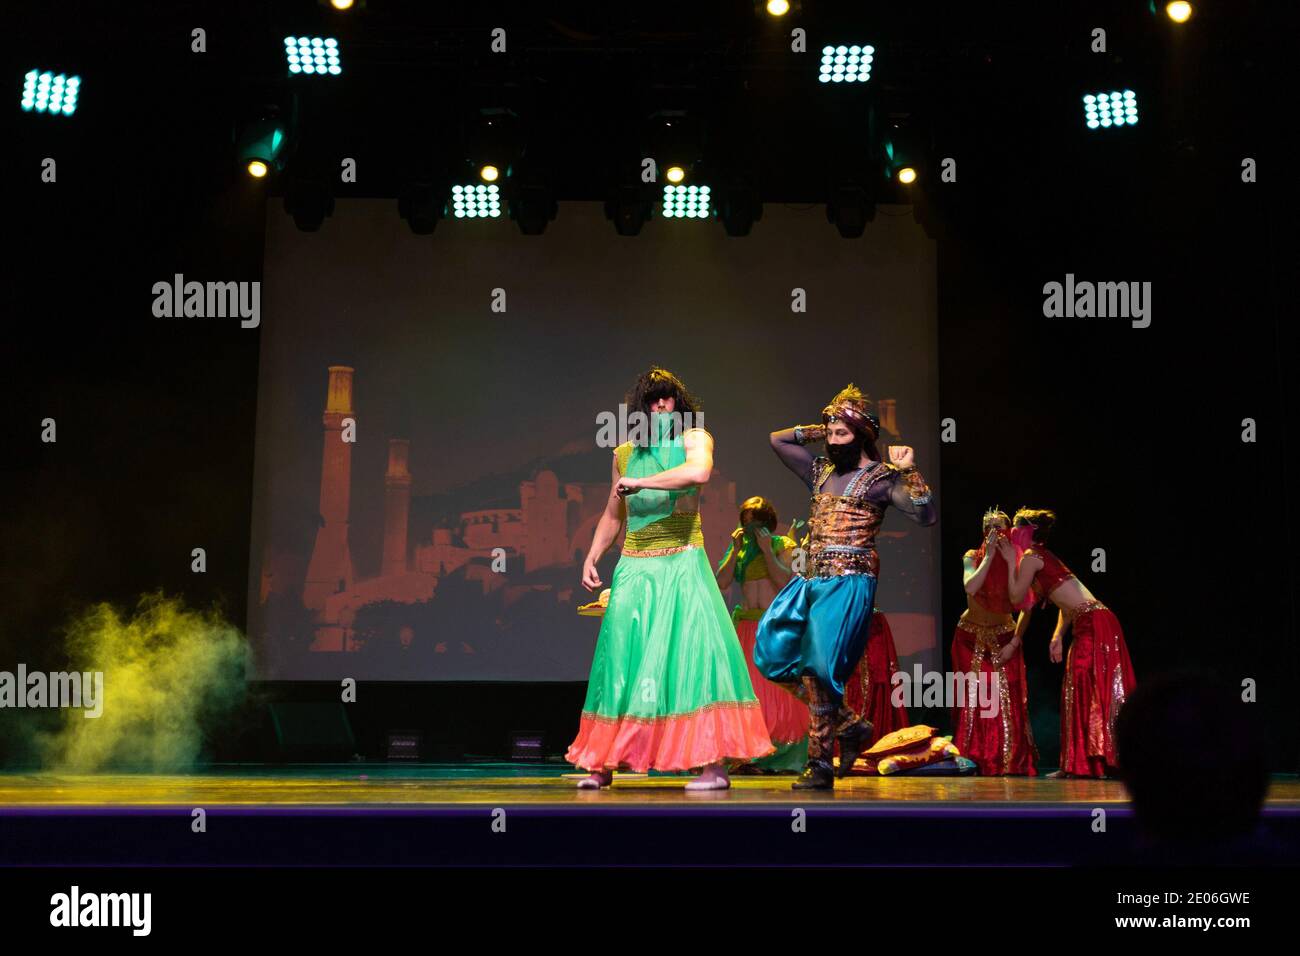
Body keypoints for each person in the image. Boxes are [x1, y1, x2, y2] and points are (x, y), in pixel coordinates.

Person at [566, 367, 774, 790]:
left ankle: (713, 766)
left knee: (693, 658)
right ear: (640, 409)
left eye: (667, 399)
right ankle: (601, 762)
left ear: (679, 405)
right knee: (621, 658)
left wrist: (641, 481)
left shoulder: (694, 439)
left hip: (683, 564)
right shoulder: (624, 454)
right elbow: (612, 513)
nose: (661, 406)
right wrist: (593, 554)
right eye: (652, 400)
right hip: (635, 567)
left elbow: (697, 474)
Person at [756, 384, 937, 789]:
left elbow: (925, 517)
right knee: (771, 654)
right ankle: (851, 725)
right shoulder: (820, 470)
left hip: (850, 579)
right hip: (811, 577)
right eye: (831, 434)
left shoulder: (880, 478)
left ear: (863, 436)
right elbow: (777, 439)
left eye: (843, 433)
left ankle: (819, 764)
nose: (835, 441)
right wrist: (821, 428)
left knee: (819, 670)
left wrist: (909, 469)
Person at [1006, 507, 1136, 778]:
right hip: (1090, 621)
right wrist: (1057, 636)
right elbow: (1062, 602)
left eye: (1016, 529)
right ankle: (1078, 764)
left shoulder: (1030, 557)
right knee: (1077, 686)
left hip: (1094, 622)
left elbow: (1017, 599)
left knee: (1088, 685)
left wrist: (1009, 561)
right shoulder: (1042, 557)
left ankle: (1095, 762)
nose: (1011, 534)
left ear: (1027, 532)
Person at [716, 497, 808, 772]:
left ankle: (782, 757)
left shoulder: (784, 545)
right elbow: (721, 581)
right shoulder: (741, 548)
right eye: (745, 523)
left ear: (767, 523)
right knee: (750, 692)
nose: (750, 529)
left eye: (755, 523)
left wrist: (768, 551)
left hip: (774, 626)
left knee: (777, 693)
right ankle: (748, 754)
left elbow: (786, 582)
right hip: (746, 627)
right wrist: (734, 551)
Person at [950, 507, 1038, 775]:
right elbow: (970, 587)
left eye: (999, 527)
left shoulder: (1022, 560)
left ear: (1009, 531)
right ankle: (972, 756)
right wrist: (988, 557)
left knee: (1004, 698)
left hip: (1004, 636)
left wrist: (1015, 642)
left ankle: (1008, 759)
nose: (993, 532)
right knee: (974, 697)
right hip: (969, 635)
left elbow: (1026, 606)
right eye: (988, 527)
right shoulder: (972, 556)